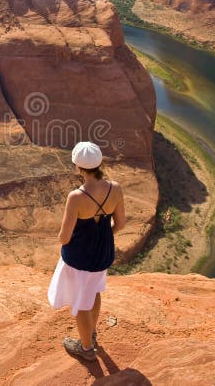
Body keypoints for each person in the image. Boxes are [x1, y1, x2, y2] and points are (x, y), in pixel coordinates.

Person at [47, 141, 126, 361]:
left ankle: (86, 347)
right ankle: (91, 333)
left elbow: (64, 236)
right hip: (102, 253)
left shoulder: (77, 197)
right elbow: (120, 224)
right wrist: (101, 236)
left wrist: (66, 239)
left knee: (80, 302)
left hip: (80, 257)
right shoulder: (115, 188)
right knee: (93, 292)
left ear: (78, 167)